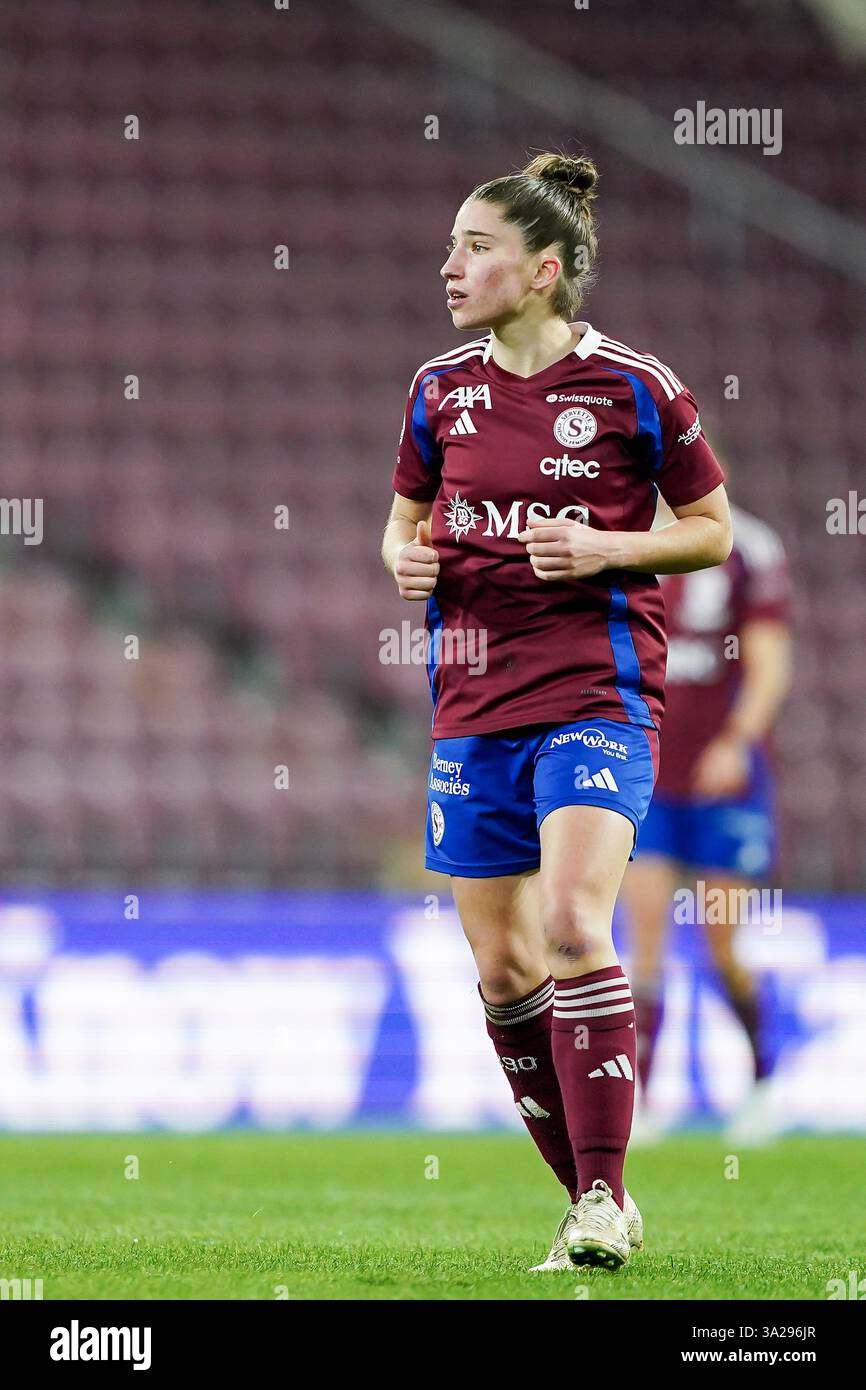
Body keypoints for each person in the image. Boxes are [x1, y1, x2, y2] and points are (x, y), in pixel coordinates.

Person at [380, 151, 732, 1270]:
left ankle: (599, 1199)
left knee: (579, 921)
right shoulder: (439, 388)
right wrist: (402, 560)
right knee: (499, 968)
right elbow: (401, 521)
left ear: (541, 269)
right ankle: (592, 1196)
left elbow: (711, 528)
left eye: (472, 248)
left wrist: (605, 547)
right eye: (449, 246)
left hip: (596, 687)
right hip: (471, 698)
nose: (449, 266)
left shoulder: (635, 385)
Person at [622, 491, 792, 1143]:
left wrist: (737, 740)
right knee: (646, 935)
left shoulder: (749, 547)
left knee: (721, 943)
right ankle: (640, 1100)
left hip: (726, 780)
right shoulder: (625, 537)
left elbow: (770, 666)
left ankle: (760, 1082)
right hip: (649, 771)